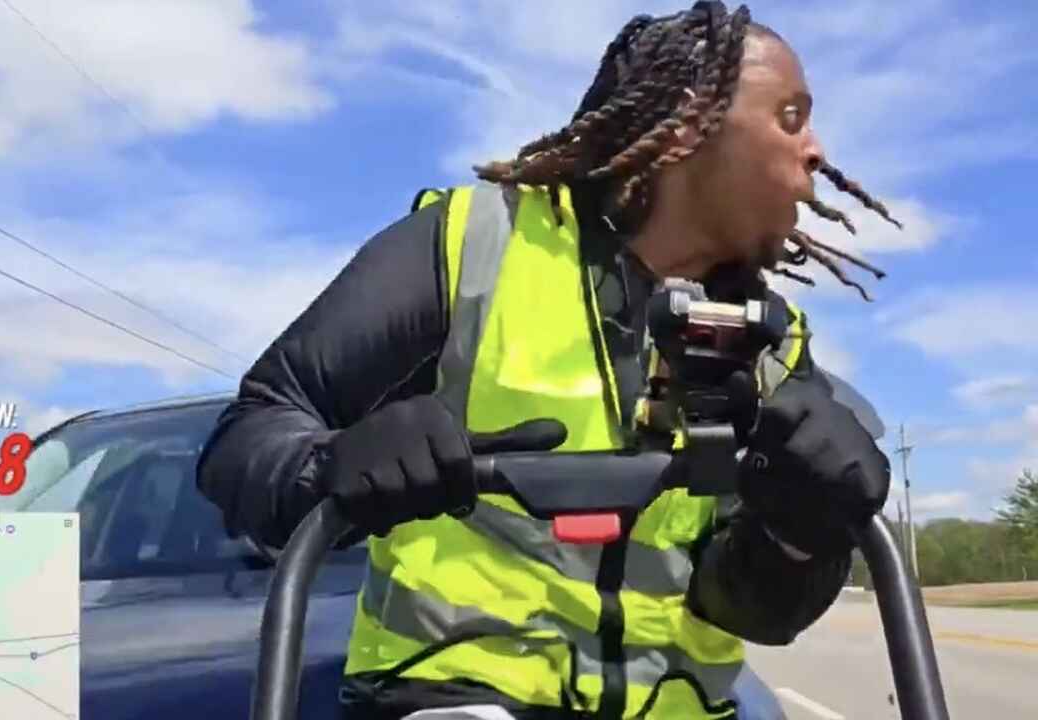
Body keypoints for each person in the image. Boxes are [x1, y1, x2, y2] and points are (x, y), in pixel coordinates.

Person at [197, 2, 893, 718]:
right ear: (690, 121)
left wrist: (801, 534)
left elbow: (750, 612)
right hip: (460, 700)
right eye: (790, 116)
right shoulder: (472, 246)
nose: (815, 150)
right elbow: (249, 431)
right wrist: (329, 464)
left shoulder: (775, 345)